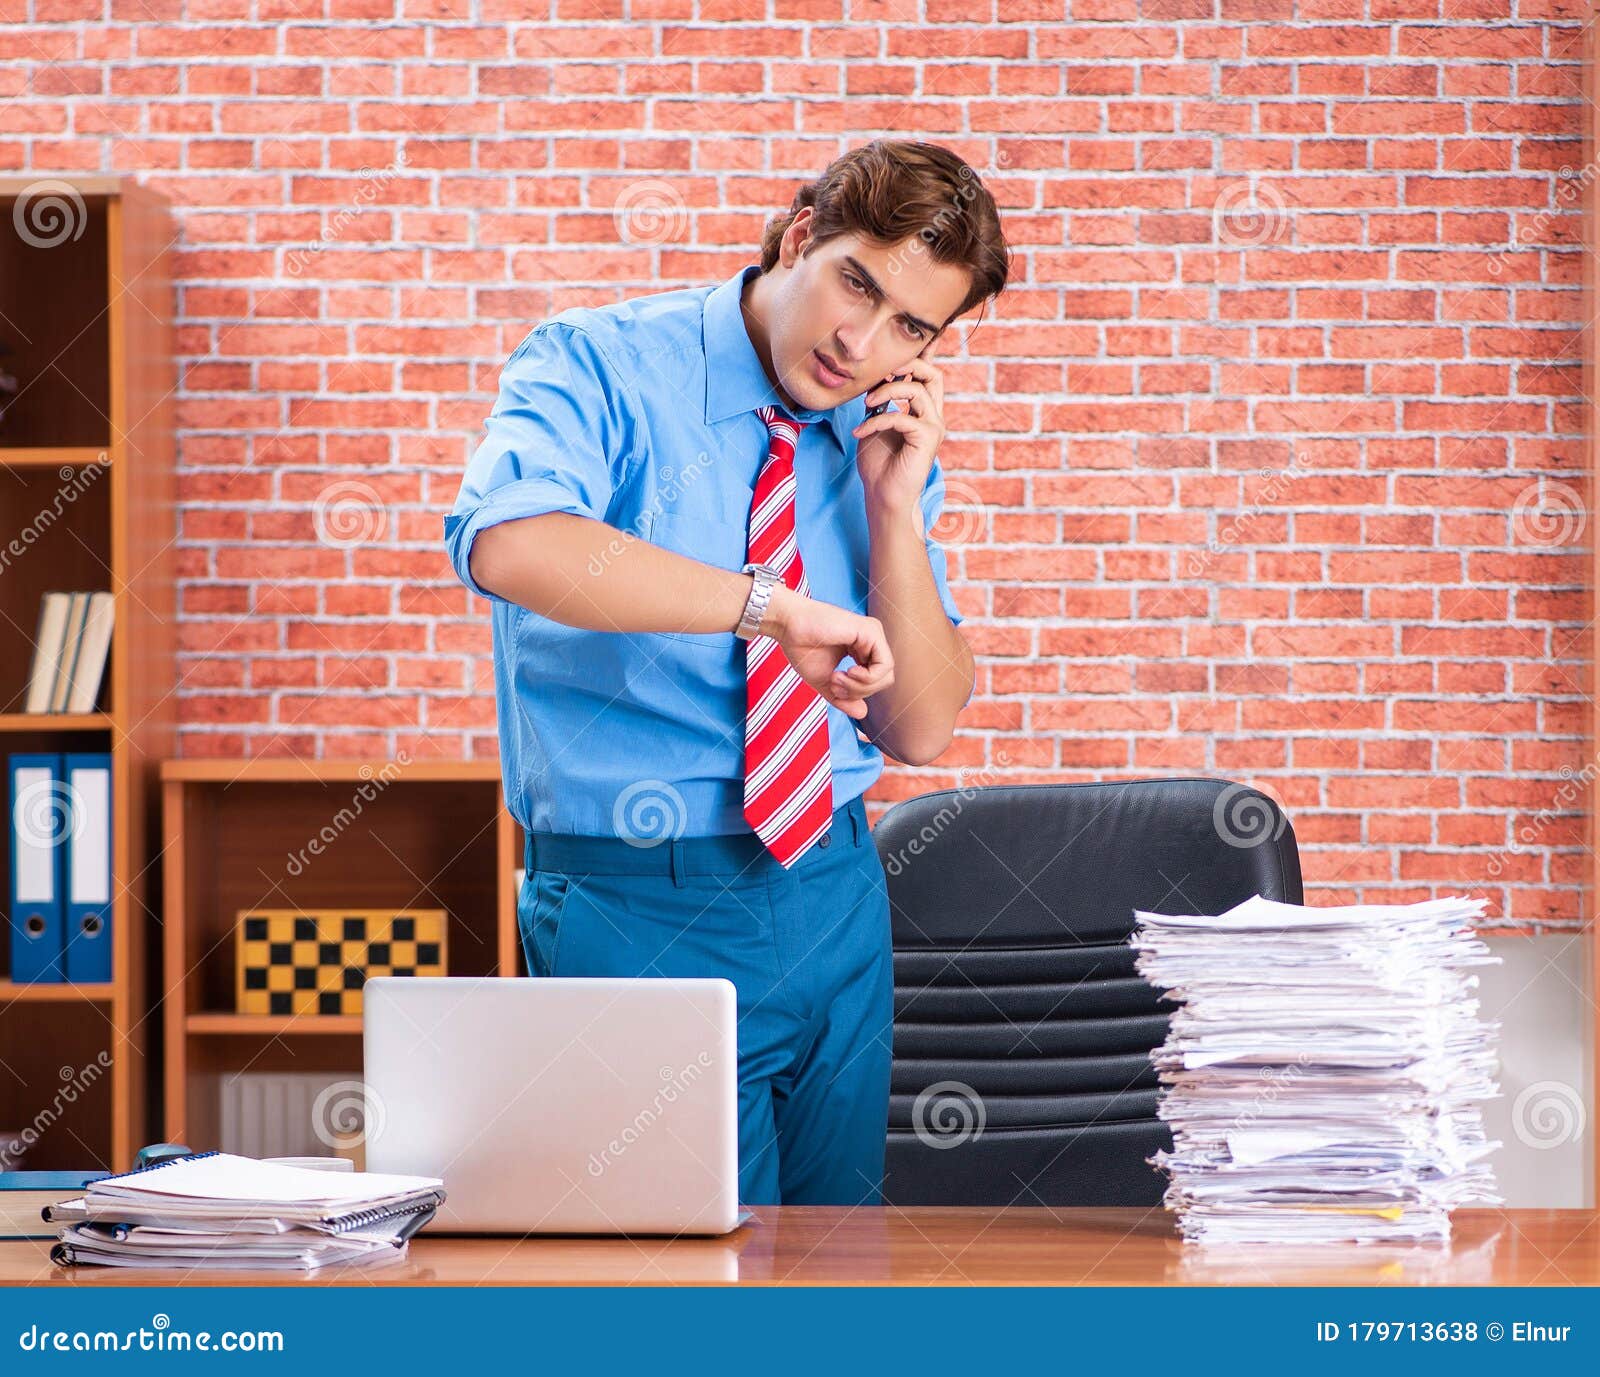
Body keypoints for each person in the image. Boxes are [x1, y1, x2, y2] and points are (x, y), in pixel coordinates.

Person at [443, 138, 1011, 1206]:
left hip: (833, 890)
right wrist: (767, 607)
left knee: (838, 1274)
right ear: (802, 237)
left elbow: (920, 727)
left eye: (910, 327)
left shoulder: (875, 428)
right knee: (687, 1287)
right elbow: (510, 544)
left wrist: (893, 509)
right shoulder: (596, 361)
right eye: (857, 284)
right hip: (637, 899)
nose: (862, 340)